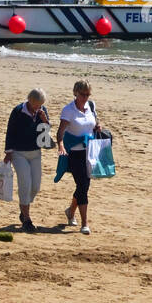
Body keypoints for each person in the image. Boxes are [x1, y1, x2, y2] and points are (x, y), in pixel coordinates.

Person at [55, 80, 103, 235]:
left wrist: (97, 126)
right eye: (83, 94)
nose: (85, 97)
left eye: (88, 94)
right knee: (82, 185)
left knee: (84, 185)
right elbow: (60, 131)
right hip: (74, 153)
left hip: (89, 152)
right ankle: (84, 223)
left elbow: (93, 123)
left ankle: (70, 211)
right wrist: (60, 145)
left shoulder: (91, 106)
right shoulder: (68, 110)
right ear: (76, 92)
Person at [4, 88, 50, 232]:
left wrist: (44, 120)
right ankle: (27, 219)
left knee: (35, 186)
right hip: (19, 153)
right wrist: (8, 152)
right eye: (37, 104)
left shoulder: (42, 111)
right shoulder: (18, 111)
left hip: (36, 153)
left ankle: (23, 209)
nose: (39, 107)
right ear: (30, 101)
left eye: (41, 105)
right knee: (25, 184)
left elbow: (46, 134)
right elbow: (10, 131)